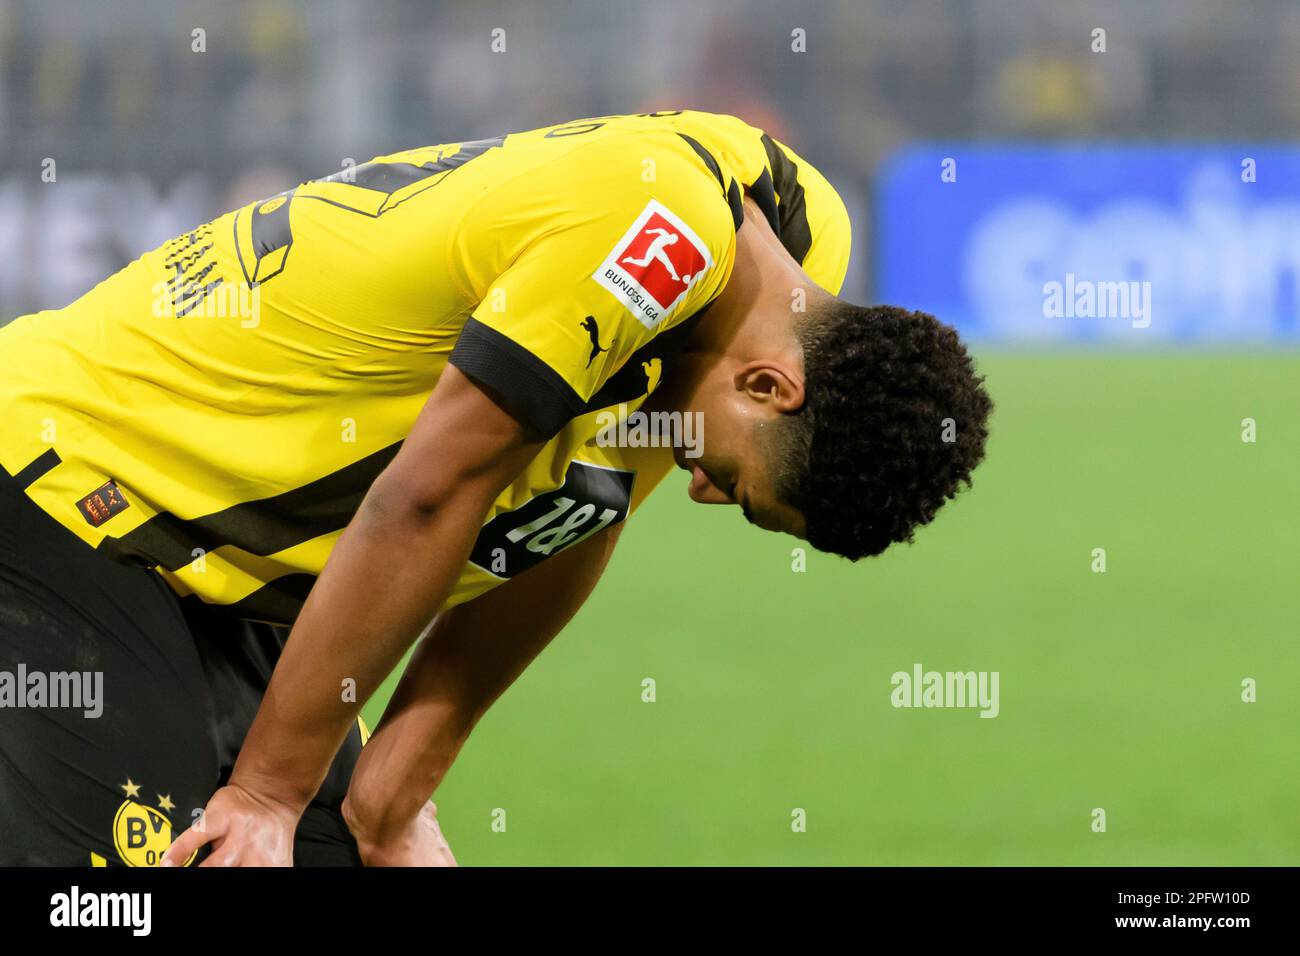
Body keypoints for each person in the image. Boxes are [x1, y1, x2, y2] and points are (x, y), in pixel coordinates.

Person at [0, 111, 991, 866]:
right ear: (770, 385)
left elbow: (575, 509)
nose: (700, 491)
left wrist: (392, 790)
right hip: (78, 473)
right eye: (731, 480)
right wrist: (265, 788)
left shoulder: (786, 251)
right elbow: (427, 498)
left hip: (235, 565)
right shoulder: (656, 235)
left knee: (332, 845)